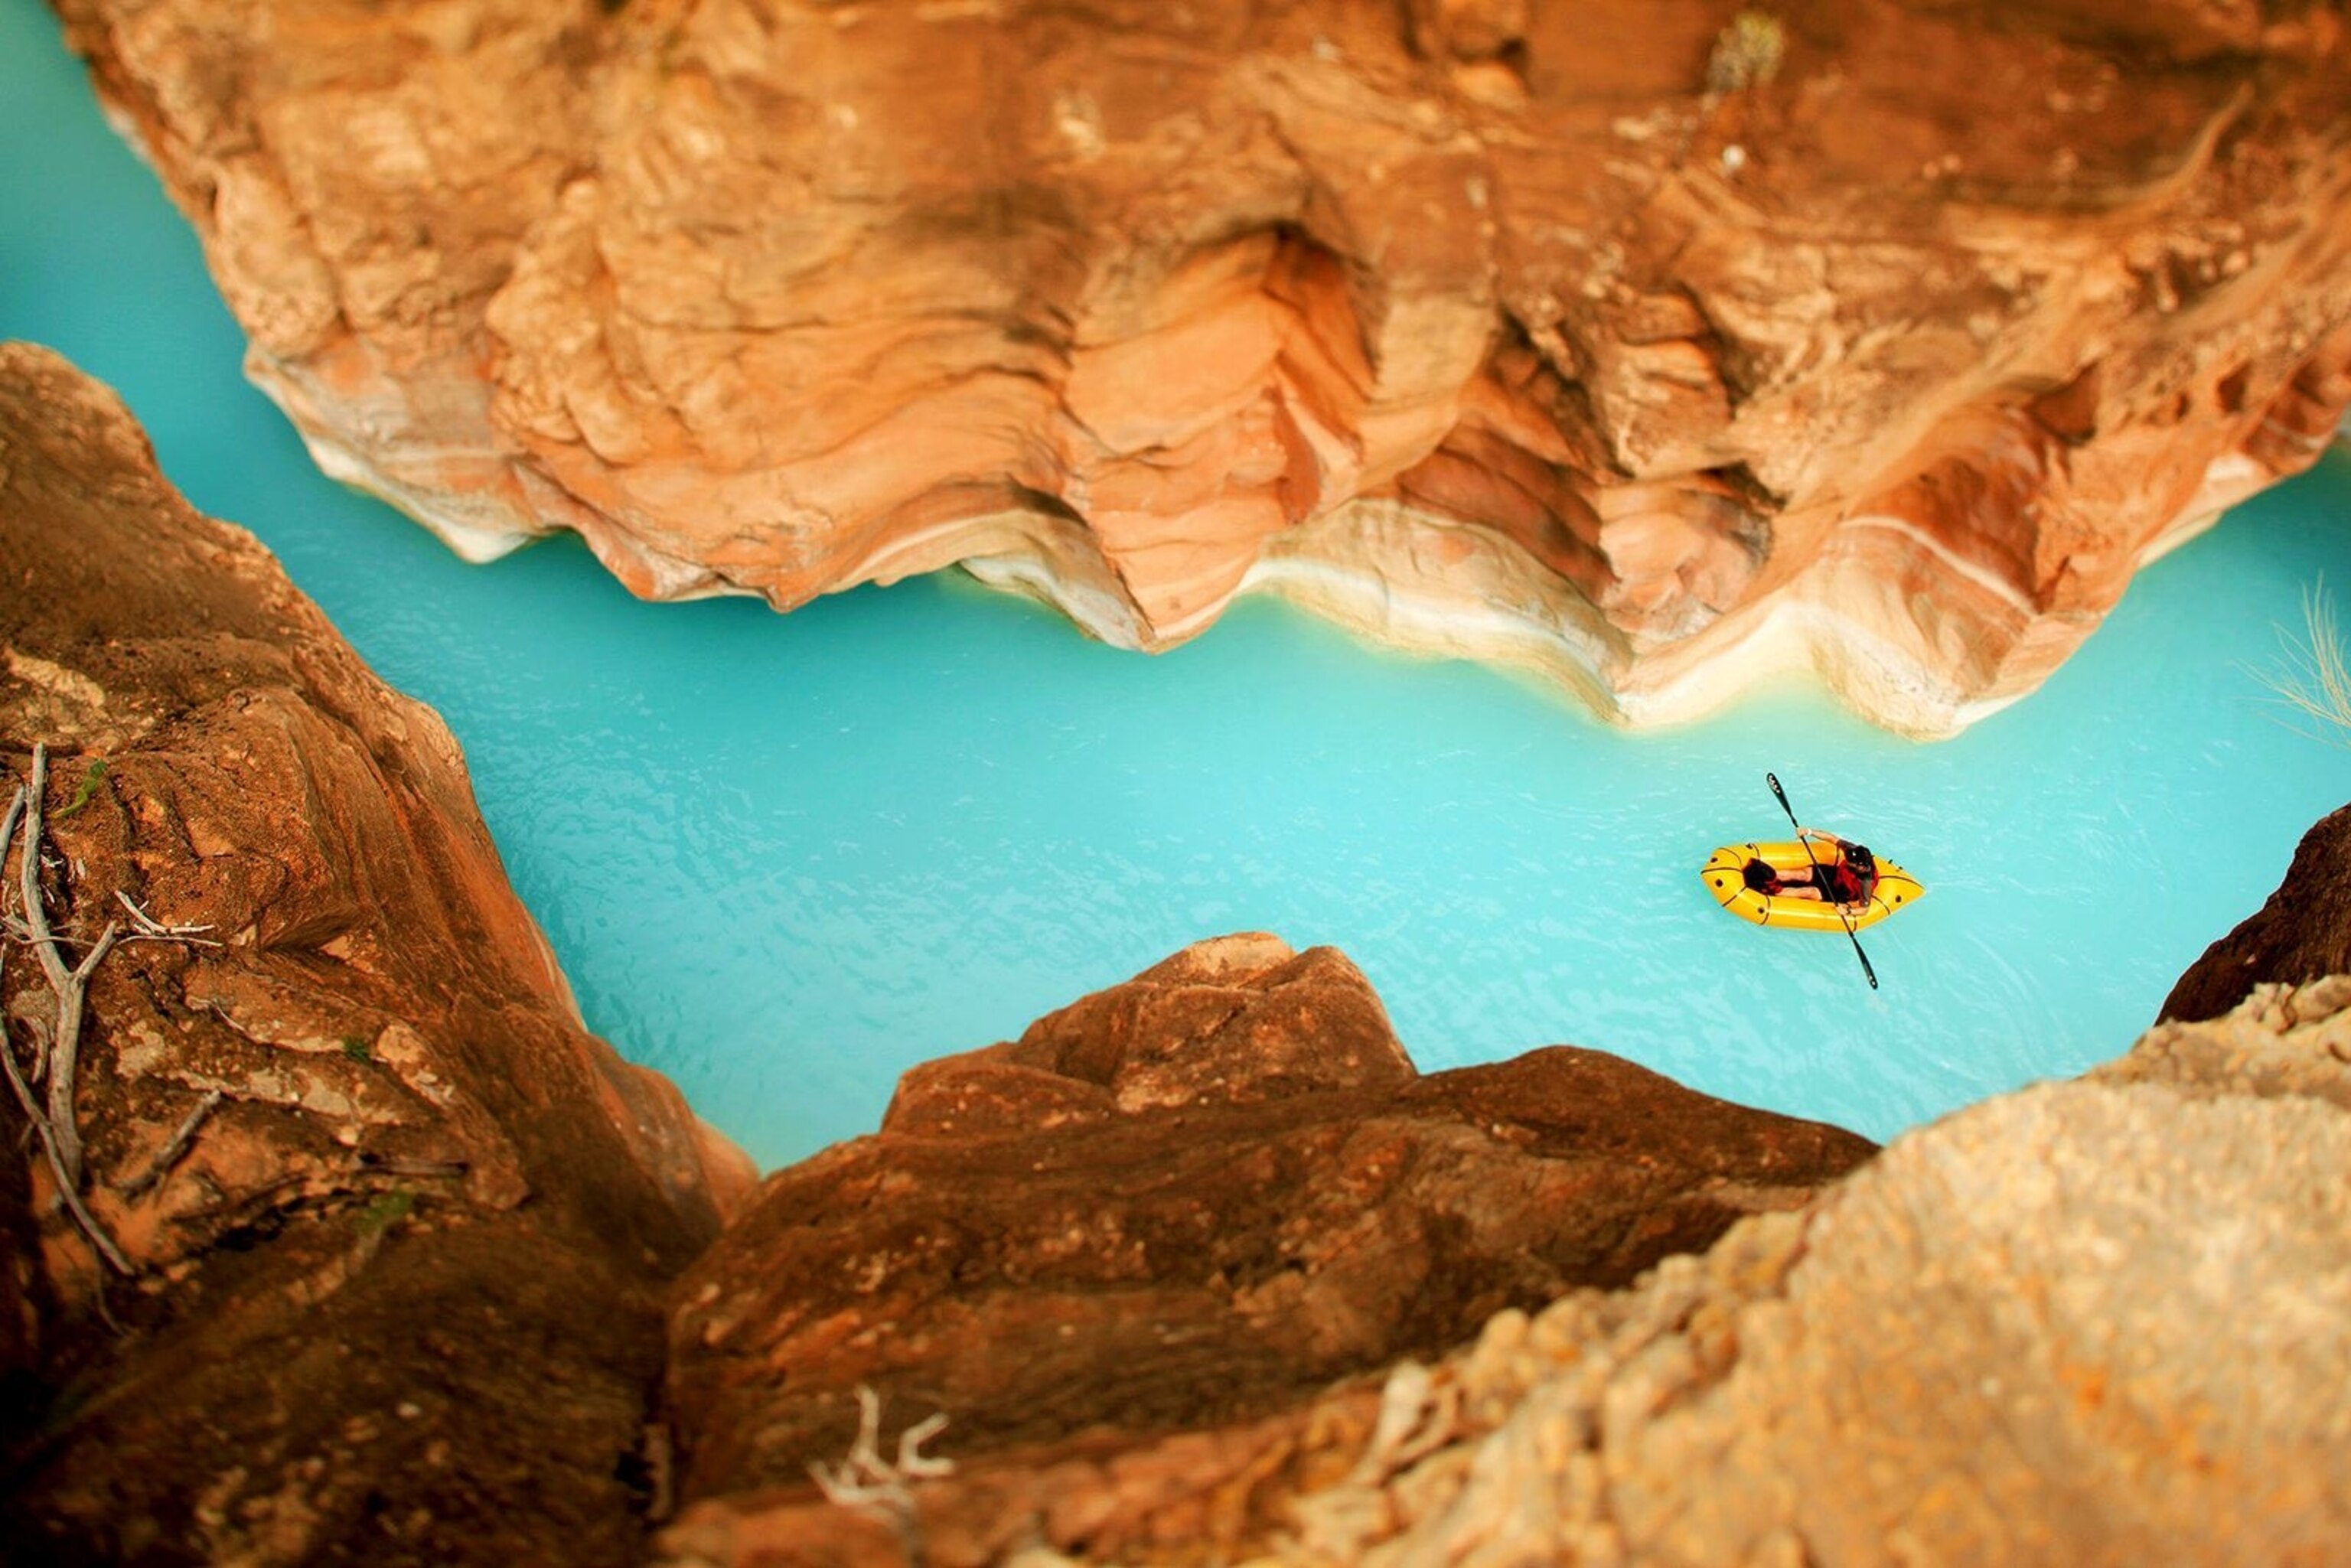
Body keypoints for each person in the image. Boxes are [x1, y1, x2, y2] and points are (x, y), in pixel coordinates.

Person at [1743, 826, 1877, 908]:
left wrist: (1847, 910)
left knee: (1810, 891)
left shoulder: (1865, 882)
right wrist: (1809, 831)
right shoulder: (1852, 850)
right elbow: (1832, 838)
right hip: (1835, 875)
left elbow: (1864, 908)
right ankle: (1765, 876)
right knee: (1803, 874)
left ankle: (1770, 892)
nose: (1847, 859)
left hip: (1841, 893)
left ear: (1860, 865)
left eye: (1850, 861)